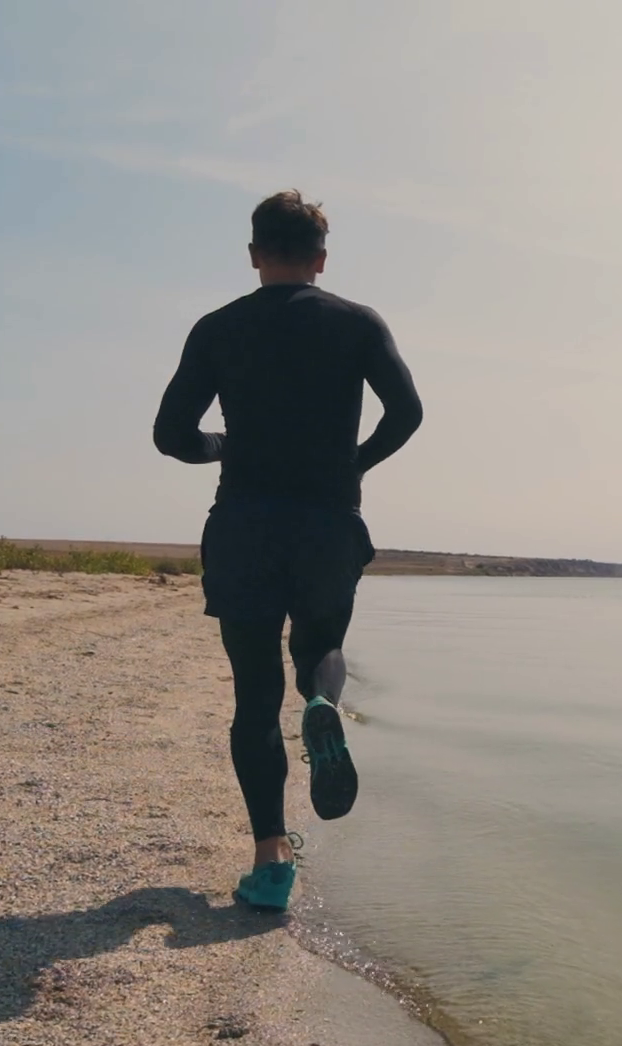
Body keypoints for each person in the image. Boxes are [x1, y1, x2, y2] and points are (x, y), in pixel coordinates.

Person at [152, 190, 424, 912]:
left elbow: (171, 436)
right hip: (327, 522)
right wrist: (355, 464)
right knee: (321, 647)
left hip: (244, 524)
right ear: (321, 259)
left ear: (254, 255)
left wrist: (222, 444)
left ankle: (271, 865)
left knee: (253, 696)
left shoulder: (218, 327)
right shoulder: (357, 322)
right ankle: (323, 702)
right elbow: (407, 413)